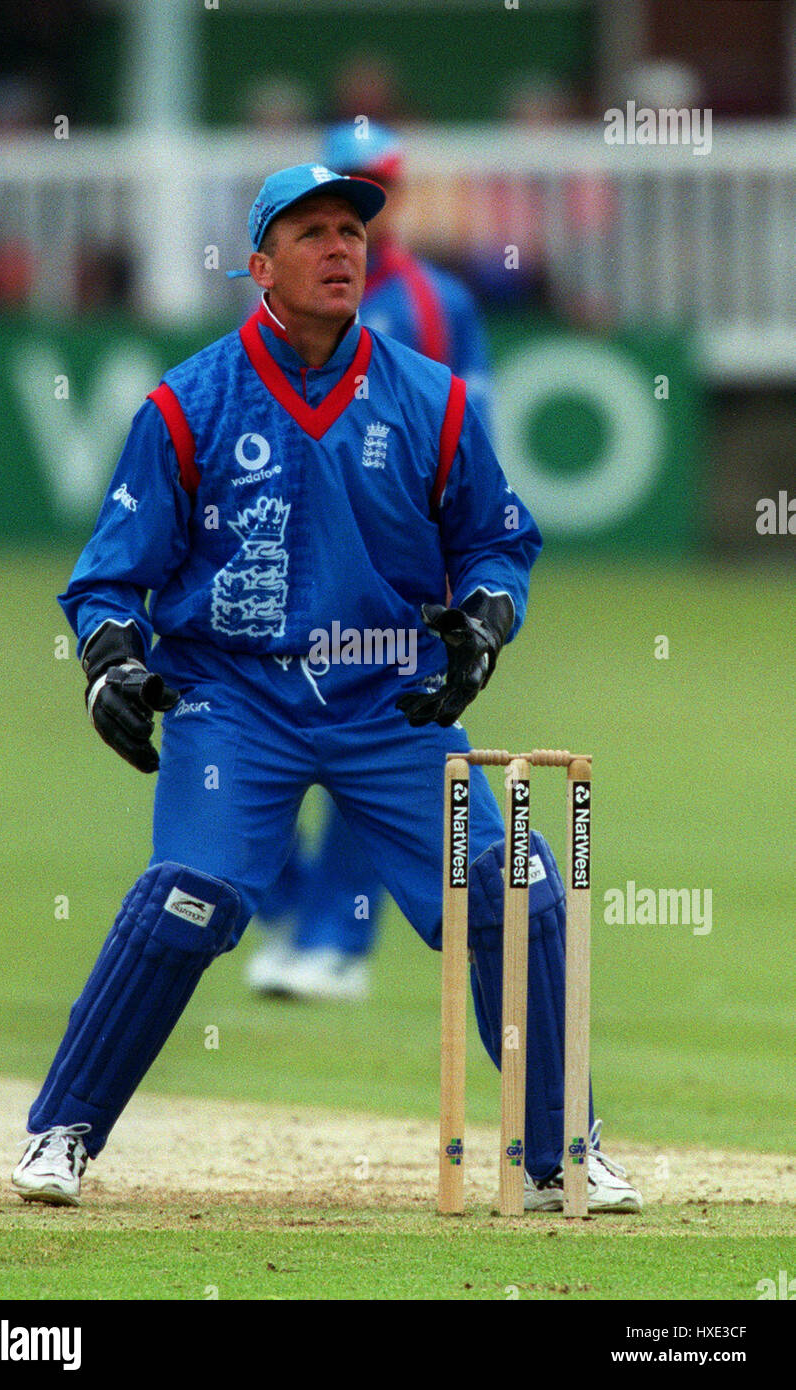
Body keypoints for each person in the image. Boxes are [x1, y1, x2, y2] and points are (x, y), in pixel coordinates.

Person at [11, 162, 641, 1214]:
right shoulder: (188, 402)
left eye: (350, 230)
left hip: (389, 701)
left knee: (510, 883)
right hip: (234, 695)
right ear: (259, 266)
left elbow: (495, 543)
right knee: (191, 895)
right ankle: (62, 1131)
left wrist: (483, 622)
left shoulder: (427, 399)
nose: (340, 248)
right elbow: (109, 577)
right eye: (310, 233)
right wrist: (111, 661)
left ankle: (555, 1153)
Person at [245, 123, 494, 1001]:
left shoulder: (434, 302)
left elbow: (468, 435)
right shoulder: (281, 302)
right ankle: (298, 918)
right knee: (252, 730)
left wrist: (454, 566)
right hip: (296, 558)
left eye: (370, 190)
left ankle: (336, 943)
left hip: (396, 567)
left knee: (380, 738)